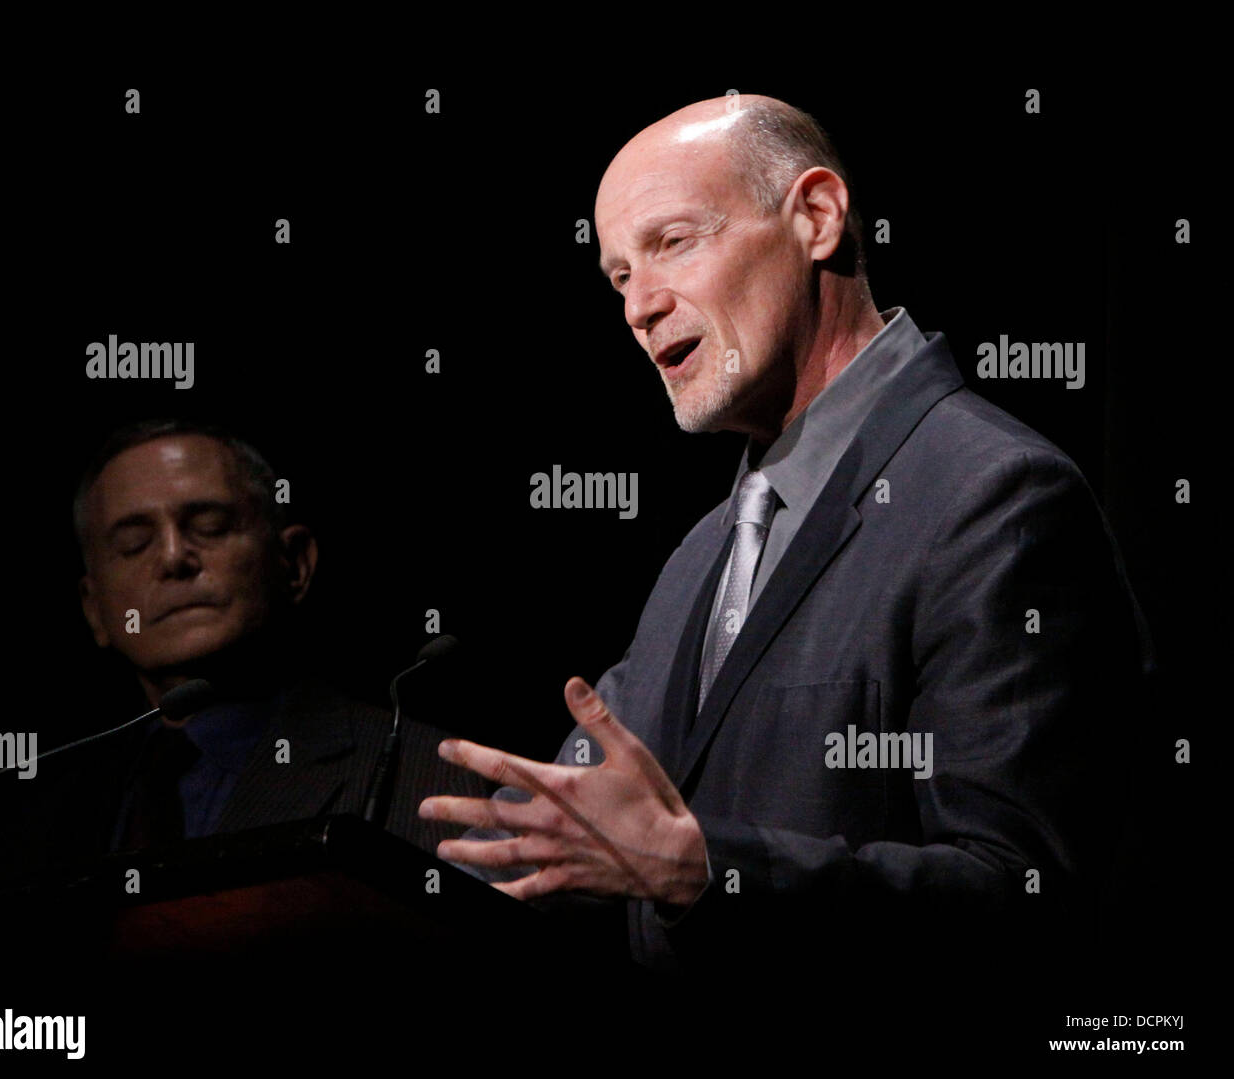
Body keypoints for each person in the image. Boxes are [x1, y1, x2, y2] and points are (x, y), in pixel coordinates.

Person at [417, 95, 1155, 977]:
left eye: (674, 243)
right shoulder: (704, 553)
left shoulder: (996, 498)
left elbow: (1029, 899)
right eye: (618, 276)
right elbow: (583, 824)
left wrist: (705, 874)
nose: (639, 308)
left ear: (815, 217)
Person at [0, 419, 484, 882]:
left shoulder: (435, 779)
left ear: (293, 564)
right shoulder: (17, 820)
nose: (174, 558)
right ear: (94, 609)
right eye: (133, 544)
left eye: (210, 526)